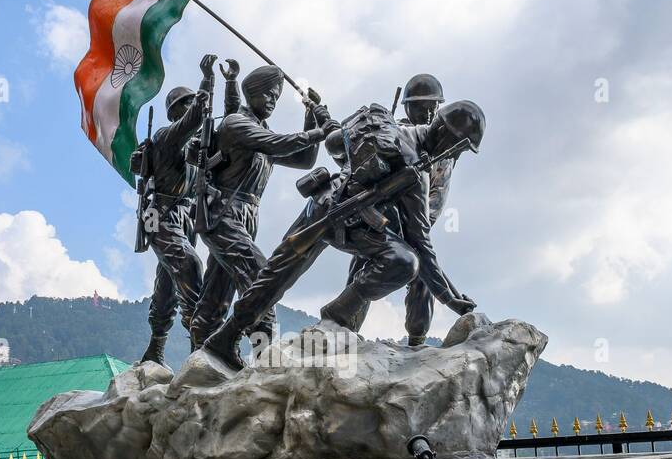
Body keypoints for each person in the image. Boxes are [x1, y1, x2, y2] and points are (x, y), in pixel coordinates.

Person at [199, 100, 484, 372]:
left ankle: (227, 336)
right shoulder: (415, 170)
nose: (456, 155)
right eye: (460, 148)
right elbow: (421, 244)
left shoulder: (386, 131)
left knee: (276, 276)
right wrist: (450, 299)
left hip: (324, 202)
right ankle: (335, 316)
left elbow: (336, 145)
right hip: (347, 220)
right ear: (447, 134)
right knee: (404, 261)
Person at [188, 65, 336, 348]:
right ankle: (265, 352)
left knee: (218, 290)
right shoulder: (235, 124)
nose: (272, 101)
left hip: (245, 217)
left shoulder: (260, 129)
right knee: (261, 278)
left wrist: (310, 118)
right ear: (252, 93)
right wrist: (319, 132)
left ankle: (202, 351)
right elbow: (277, 144)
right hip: (223, 213)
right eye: (268, 94)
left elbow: (304, 160)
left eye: (277, 97)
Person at [345, 72, 458, 345]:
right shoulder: (388, 133)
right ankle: (344, 327)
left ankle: (417, 340)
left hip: (414, 224)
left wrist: (416, 227)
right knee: (361, 269)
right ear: (408, 106)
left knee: (423, 276)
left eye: (434, 106)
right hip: (377, 221)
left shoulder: (441, 147)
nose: (429, 112)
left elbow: (436, 198)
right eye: (423, 106)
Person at [133, 54, 219, 366]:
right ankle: (200, 339)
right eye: (186, 104)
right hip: (160, 214)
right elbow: (196, 117)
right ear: (176, 113)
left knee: (169, 280)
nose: (193, 108)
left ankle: (156, 346)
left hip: (184, 217)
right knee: (189, 265)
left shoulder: (197, 147)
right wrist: (207, 81)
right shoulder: (167, 137)